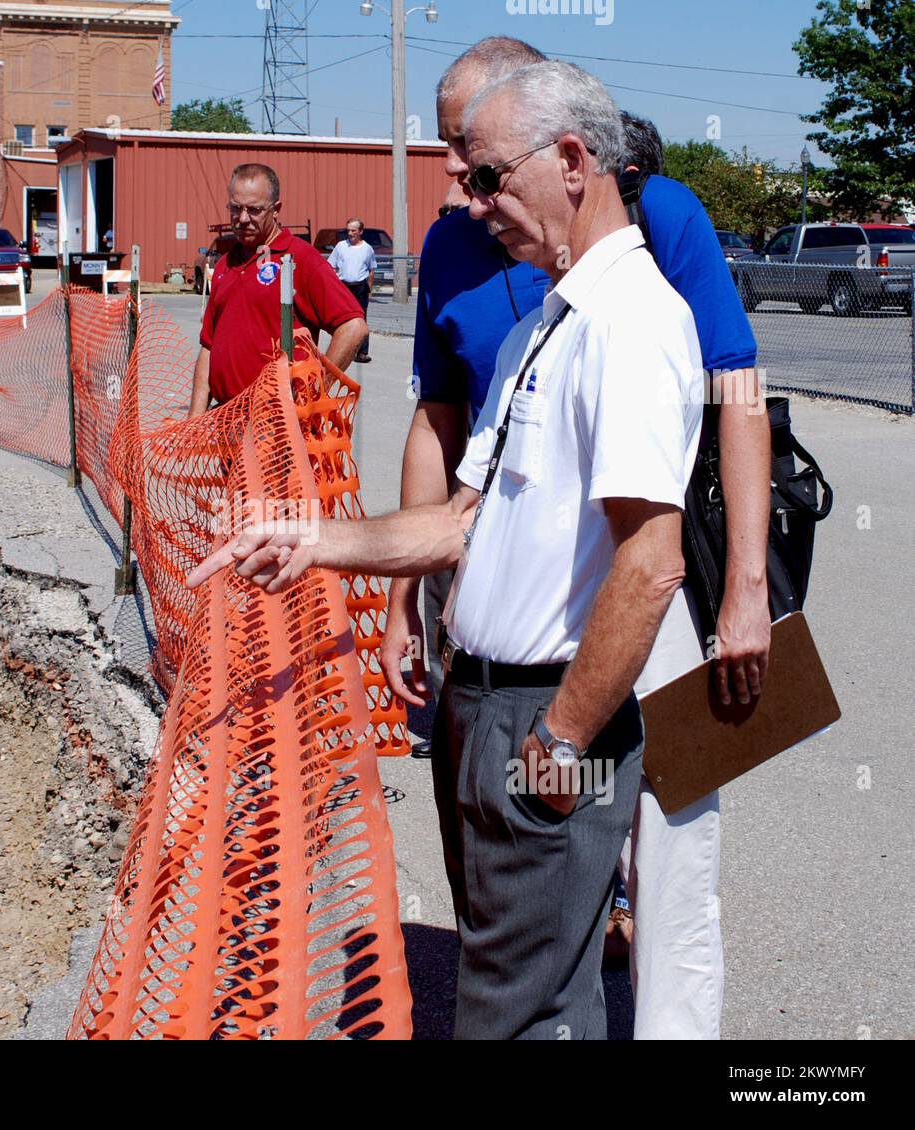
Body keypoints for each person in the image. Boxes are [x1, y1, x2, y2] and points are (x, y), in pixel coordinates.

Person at [191, 61, 705, 1040]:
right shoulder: (539, 332)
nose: (467, 205)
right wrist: (313, 538)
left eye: (484, 178)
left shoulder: (633, 324)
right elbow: (457, 521)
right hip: (481, 702)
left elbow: (650, 563)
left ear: (568, 161)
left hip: (547, 711)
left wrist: (559, 742)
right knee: (537, 995)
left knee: (508, 1009)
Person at [381, 36, 770, 1040]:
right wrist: (399, 601)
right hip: (526, 586)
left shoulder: (658, 212)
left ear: (545, 143)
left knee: (676, 837)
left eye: (477, 155)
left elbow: (737, 392)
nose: (459, 177)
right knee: (537, 846)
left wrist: (745, 591)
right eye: (451, 150)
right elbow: (439, 417)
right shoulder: (454, 243)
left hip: (655, 573)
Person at [189, 164, 367, 416]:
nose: (242, 219)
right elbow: (209, 346)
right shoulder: (224, 265)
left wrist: (313, 394)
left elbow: (353, 327)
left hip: (278, 429)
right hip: (227, 422)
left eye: (254, 210)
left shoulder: (300, 259)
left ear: (276, 209)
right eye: (235, 208)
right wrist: (195, 419)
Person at [327, 218, 377, 363]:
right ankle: (340, 349)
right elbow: (331, 266)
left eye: (353, 230)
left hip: (360, 287)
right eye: (348, 230)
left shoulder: (367, 249)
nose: (350, 233)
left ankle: (362, 352)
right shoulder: (341, 246)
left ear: (360, 231)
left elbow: (371, 270)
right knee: (341, 319)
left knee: (361, 319)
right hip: (343, 287)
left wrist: (370, 290)